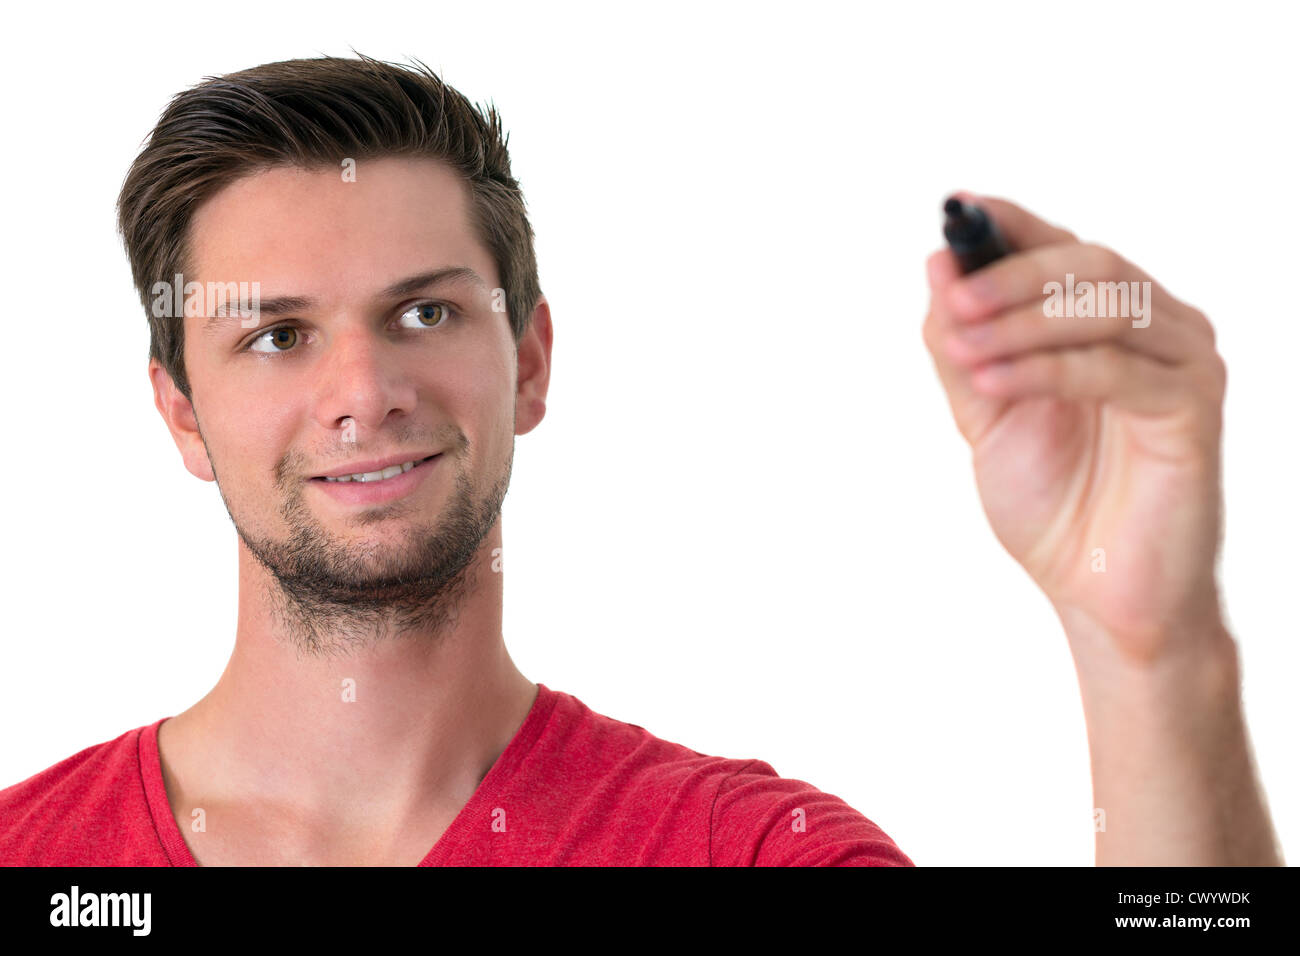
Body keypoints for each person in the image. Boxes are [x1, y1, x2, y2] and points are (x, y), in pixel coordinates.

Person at [0, 54, 1282, 866]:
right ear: (179, 411)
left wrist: (1151, 648)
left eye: (426, 312)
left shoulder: (749, 856)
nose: (365, 391)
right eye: (277, 335)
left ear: (533, 360)